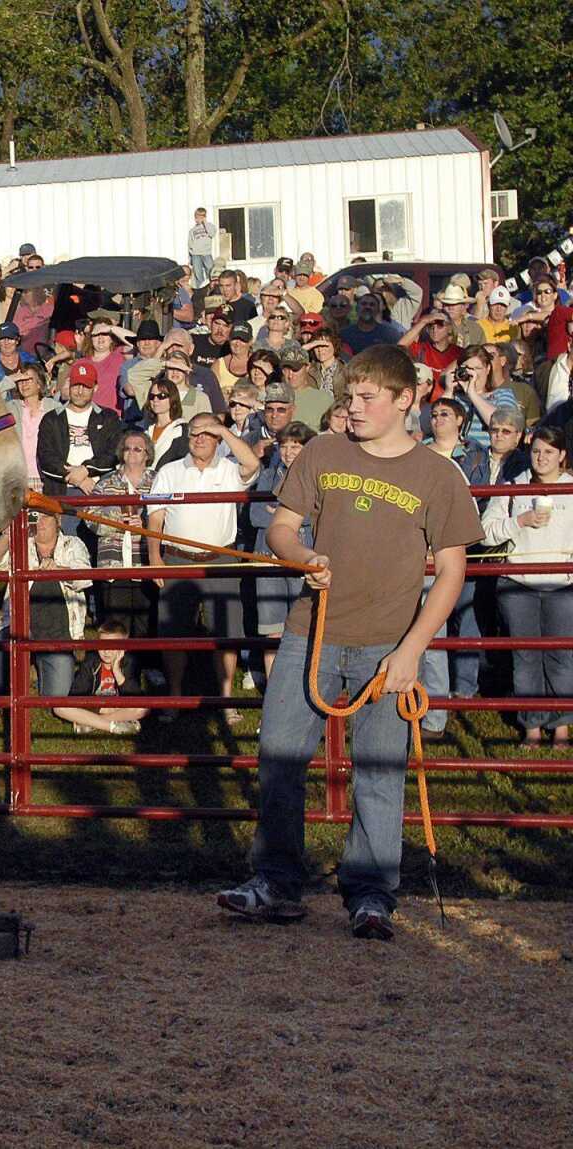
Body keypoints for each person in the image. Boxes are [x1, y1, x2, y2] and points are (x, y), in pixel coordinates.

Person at [219, 344, 482, 940]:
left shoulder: (437, 476)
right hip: (309, 635)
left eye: (367, 398)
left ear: (404, 400)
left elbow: (452, 573)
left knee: (380, 771)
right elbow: (282, 528)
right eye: (349, 397)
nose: (354, 408)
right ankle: (277, 883)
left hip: (387, 644)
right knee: (280, 758)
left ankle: (370, 894)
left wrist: (411, 650)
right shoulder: (322, 451)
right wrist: (303, 556)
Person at [147, 411, 261, 724]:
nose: (200, 438)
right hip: (176, 560)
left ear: (218, 438)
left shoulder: (228, 469)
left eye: (208, 433)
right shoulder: (169, 471)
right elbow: (155, 516)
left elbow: (253, 465)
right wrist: (155, 558)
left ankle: (225, 700)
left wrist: (223, 431)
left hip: (220, 561)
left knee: (226, 632)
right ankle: (174, 697)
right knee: (173, 633)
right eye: (196, 432)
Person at [480, 426, 573, 748]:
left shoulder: (571, 489)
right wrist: (520, 522)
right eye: (536, 451)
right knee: (526, 656)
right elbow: (485, 531)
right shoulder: (511, 488)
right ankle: (532, 726)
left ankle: (561, 725)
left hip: (563, 585)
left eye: (549, 451)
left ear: (562, 455)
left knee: (562, 657)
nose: (541, 458)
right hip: (517, 583)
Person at [0, 509, 96, 726]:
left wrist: (60, 570)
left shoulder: (72, 544)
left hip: (59, 630)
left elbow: (85, 576)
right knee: (0, 648)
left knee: (55, 699)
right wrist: (8, 536)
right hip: (18, 625)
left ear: (58, 521)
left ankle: (33, 670)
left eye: (46, 517)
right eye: (35, 518)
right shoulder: (21, 543)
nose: (41, 523)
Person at [250, 421, 315, 681]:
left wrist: (278, 515)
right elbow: (255, 515)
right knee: (271, 626)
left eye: (296, 446)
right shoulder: (268, 476)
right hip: (268, 559)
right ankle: (274, 684)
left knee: (303, 625)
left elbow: (315, 516)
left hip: (303, 556)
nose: (288, 452)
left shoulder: (316, 477)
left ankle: (304, 683)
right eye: (284, 446)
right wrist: (289, 518)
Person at [93, 429, 159, 683]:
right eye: (128, 448)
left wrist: (143, 524)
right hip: (114, 560)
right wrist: (115, 522)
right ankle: (115, 672)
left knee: (145, 617)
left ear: (147, 455)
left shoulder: (158, 481)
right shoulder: (106, 482)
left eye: (138, 449)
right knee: (116, 619)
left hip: (144, 558)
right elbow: (90, 517)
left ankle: (147, 668)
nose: (132, 453)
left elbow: (169, 515)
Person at [35, 360, 123, 535]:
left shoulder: (109, 418)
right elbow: (45, 458)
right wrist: (77, 478)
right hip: (64, 491)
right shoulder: (52, 419)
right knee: (70, 545)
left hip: (99, 489)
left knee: (101, 545)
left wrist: (86, 469)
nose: (80, 391)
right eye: (76, 385)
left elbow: (114, 452)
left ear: (95, 387)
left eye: (86, 386)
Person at [142, 369, 189, 466]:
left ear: (172, 398)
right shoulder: (147, 430)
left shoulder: (182, 430)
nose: (155, 400)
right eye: (152, 396)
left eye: (162, 396)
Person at [339, 292, 403, 355]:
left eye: (372, 305)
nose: (367, 307)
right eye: (364, 304)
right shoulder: (344, 334)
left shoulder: (390, 334)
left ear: (378, 310)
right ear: (356, 308)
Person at [187, 208, 215, 288]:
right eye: (197, 217)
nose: (198, 219)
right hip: (196, 254)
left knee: (210, 272)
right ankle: (201, 289)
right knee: (198, 274)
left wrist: (204, 223)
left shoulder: (210, 226)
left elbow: (212, 233)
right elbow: (190, 244)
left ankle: (211, 287)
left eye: (200, 216)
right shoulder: (192, 230)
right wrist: (190, 257)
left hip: (206, 253)